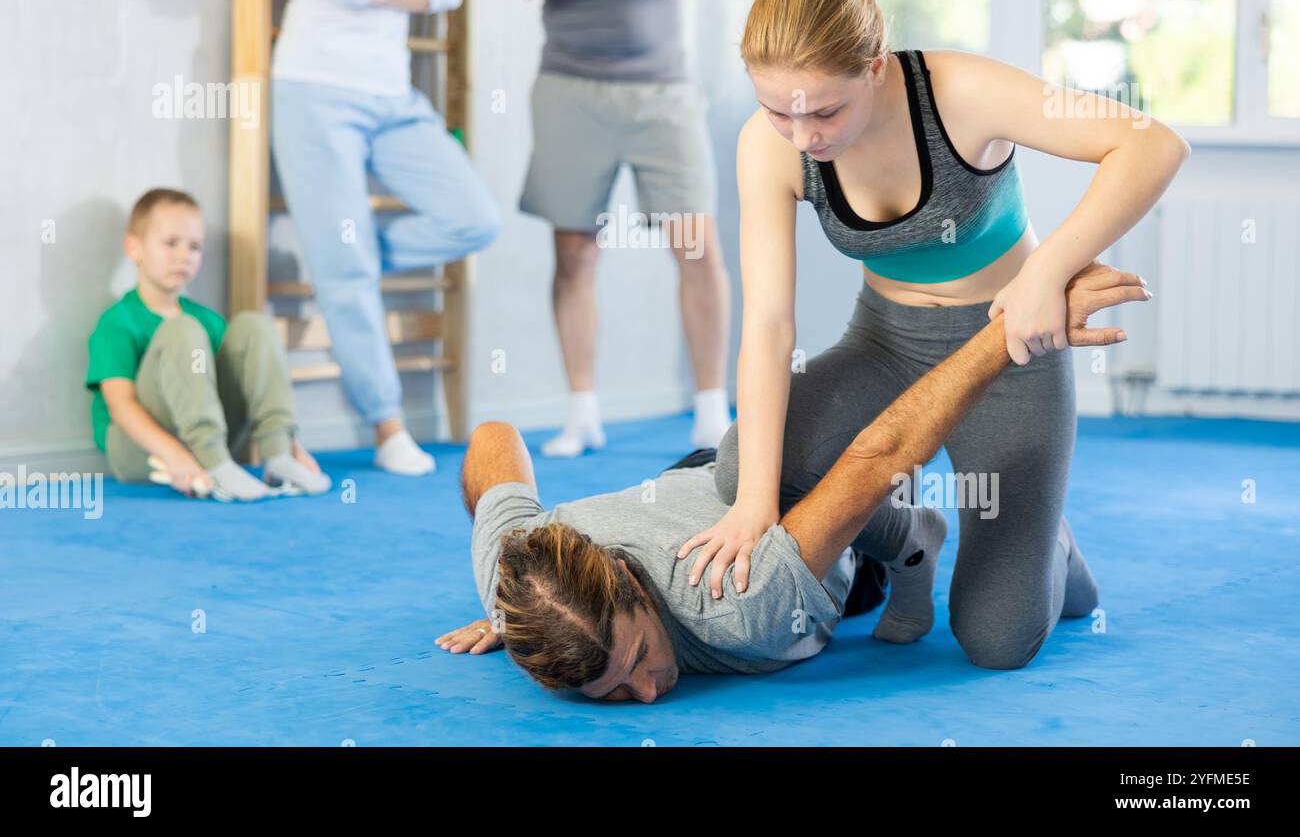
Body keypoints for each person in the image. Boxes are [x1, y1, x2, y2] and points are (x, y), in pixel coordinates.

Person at [674, 0, 1190, 670]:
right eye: (778, 111)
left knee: (997, 641)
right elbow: (768, 327)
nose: (803, 135)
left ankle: (1052, 548)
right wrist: (755, 506)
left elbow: (1152, 144)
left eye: (824, 112)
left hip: (1009, 348)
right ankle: (914, 533)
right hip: (883, 343)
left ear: (875, 67)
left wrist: (1045, 275)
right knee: (743, 472)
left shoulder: (960, 93)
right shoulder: (772, 145)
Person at [437, 262, 1147, 700]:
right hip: (707, 495)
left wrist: (1018, 323)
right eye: (612, 694)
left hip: (791, 510)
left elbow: (875, 460)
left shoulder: (737, 605)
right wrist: (517, 610)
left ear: (627, 584)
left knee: (998, 642)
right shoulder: (524, 569)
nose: (648, 692)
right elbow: (493, 437)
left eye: (639, 658)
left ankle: (942, 538)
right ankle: (1042, 543)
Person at [270, 0, 499, 477]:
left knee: (474, 216)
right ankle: (387, 426)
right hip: (313, 87)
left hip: (393, 94)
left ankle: (351, 257)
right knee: (344, 268)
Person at [510, 0, 731, 456]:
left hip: (663, 89)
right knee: (574, 253)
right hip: (568, 86)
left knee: (696, 246)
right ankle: (582, 411)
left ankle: (710, 410)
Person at [85, 188, 329, 502]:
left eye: (195, 246)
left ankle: (278, 456)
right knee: (181, 330)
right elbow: (122, 407)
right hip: (141, 452)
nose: (184, 255)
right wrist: (175, 455)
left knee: (254, 325)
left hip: (209, 442)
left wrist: (290, 445)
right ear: (134, 248)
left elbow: (244, 379)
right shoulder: (117, 323)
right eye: (171, 243)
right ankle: (213, 463)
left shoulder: (208, 321)